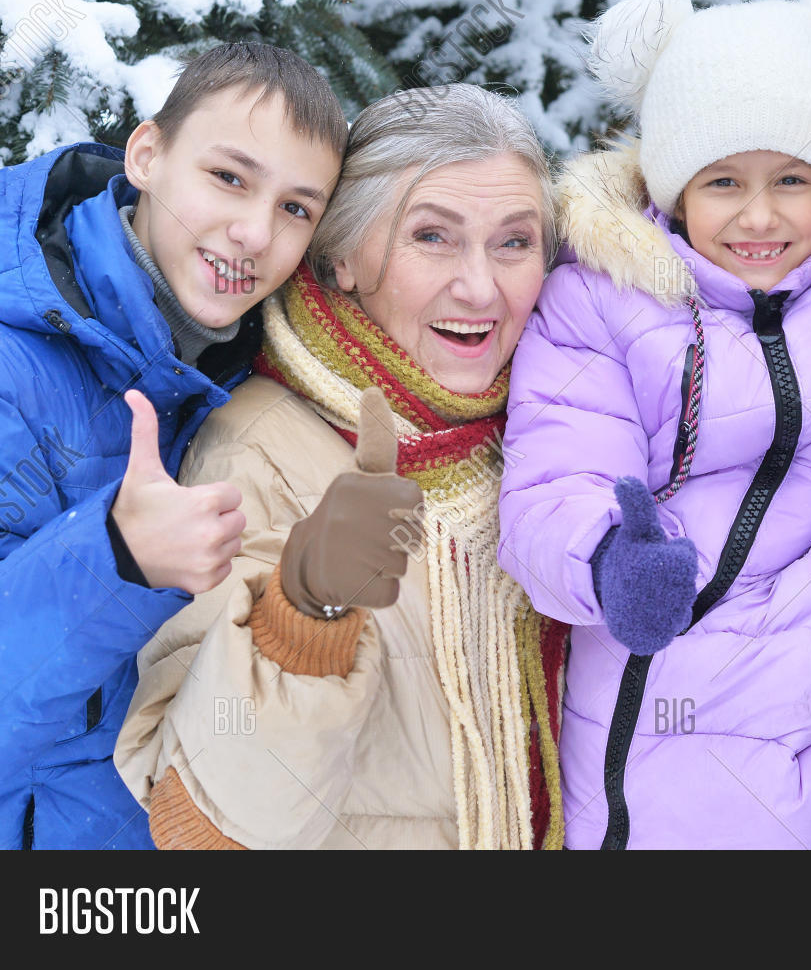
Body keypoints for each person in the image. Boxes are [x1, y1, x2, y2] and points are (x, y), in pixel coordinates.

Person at [496, 0, 811, 849]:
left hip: (809, 732)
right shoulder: (602, 304)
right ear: (676, 188)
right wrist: (606, 559)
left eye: (791, 180)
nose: (760, 217)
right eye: (723, 182)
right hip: (648, 746)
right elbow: (551, 481)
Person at [114, 85, 568, 849]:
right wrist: (305, 614)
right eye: (433, 236)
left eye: (514, 242)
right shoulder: (256, 446)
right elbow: (201, 827)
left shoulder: (559, 444)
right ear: (344, 258)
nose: (482, 286)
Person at [0, 43, 346, 849]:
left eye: (297, 208)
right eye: (229, 177)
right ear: (148, 154)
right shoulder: (14, 365)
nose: (255, 232)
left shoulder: (253, 370)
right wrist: (117, 560)